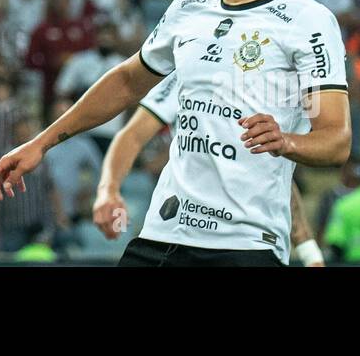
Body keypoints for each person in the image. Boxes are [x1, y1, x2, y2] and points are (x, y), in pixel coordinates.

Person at [0, 0, 350, 266]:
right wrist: (40, 144)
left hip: (246, 245)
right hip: (164, 235)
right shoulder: (189, 6)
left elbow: (336, 140)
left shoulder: (309, 20)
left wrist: (287, 142)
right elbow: (128, 81)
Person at [92, 74, 325, 266]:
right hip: (170, 236)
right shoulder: (188, 69)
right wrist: (108, 190)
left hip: (243, 246)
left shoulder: (285, 89)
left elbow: (272, 175)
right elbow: (132, 135)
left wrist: (308, 251)